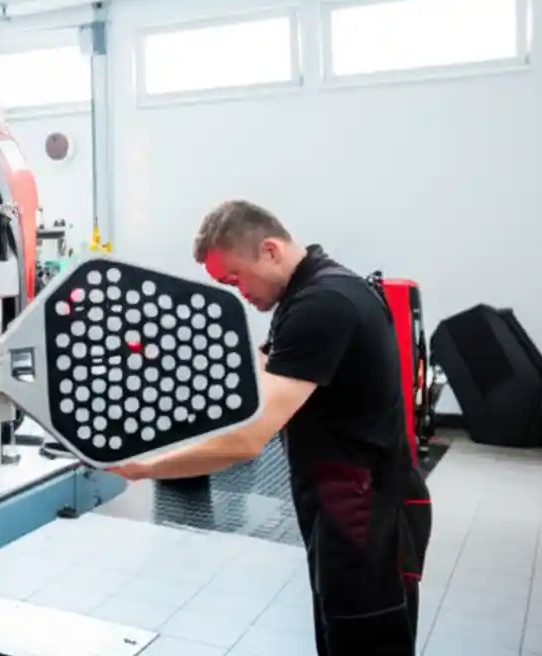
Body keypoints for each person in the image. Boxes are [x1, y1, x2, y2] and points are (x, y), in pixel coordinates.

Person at [105, 199, 432, 655]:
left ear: (270, 250)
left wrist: (146, 467)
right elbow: (256, 370)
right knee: (341, 636)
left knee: (367, 644)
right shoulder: (306, 292)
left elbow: (248, 440)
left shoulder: (324, 303)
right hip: (344, 499)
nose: (238, 292)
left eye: (236, 278)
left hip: (368, 511)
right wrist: (168, 359)